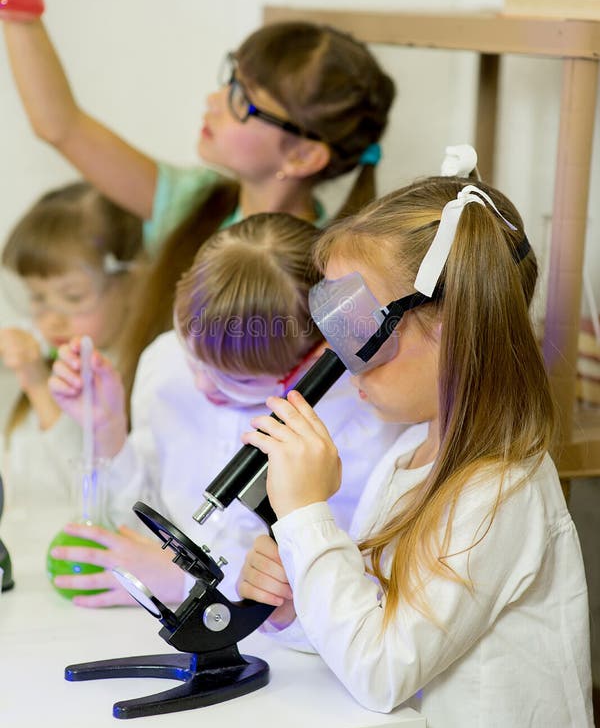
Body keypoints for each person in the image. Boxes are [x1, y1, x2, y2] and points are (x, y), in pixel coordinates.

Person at [236, 178, 598, 728]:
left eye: (362, 331)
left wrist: (305, 517)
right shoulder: (407, 458)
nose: (345, 360)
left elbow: (382, 672)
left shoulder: (499, 489)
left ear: (452, 325)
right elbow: (370, 629)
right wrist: (299, 602)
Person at [0, 0, 396, 402]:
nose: (213, 102)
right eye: (229, 79)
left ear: (302, 157)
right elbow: (58, 125)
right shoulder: (193, 202)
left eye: (242, 100)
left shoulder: (335, 276)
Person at [47, 213, 401, 606]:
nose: (202, 385)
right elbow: (146, 526)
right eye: (193, 358)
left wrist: (187, 585)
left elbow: (351, 588)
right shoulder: (165, 363)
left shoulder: (364, 418)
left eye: (240, 381)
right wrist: (109, 432)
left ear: (316, 357)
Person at [0, 182, 142, 509]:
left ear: (131, 284)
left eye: (72, 297)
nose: (52, 319)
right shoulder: (48, 361)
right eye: (37, 297)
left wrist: (37, 384)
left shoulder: (128, 381)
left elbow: (88, 493)